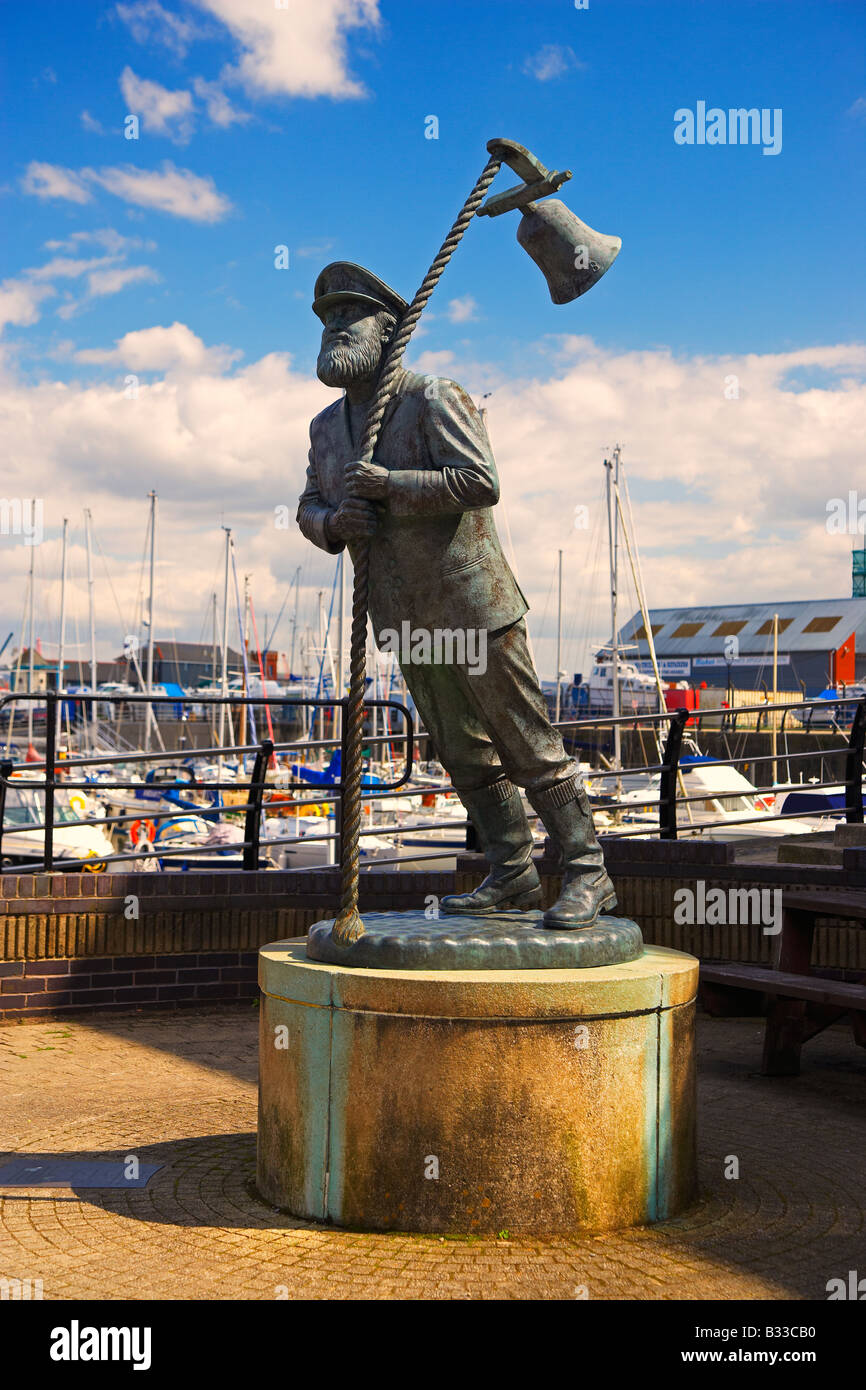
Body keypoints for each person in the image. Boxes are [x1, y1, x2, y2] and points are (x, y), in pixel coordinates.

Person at [296, 261, 616, 928]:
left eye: (347, 317)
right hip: (403, 615)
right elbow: (307, 505)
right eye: (326, 318)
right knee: (460, 750)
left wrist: (391, 484)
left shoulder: (434, 395)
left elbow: (479, 481)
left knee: (527, 742)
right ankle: (513, 872)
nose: (333, 328)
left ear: (389, 331)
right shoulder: (325, 428)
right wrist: (332, 523)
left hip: (473, 607)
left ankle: (588, 871)